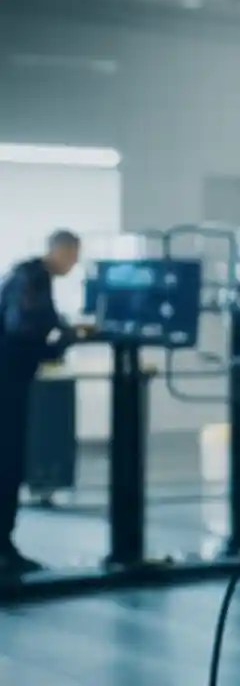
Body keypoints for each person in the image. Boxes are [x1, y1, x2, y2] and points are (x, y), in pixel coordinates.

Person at [0, 229, 84, 574]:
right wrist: (63, 341)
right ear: (61, 251)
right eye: (73, 256)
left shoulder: (24, 275)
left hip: (11, 380)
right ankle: (3, 549)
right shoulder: (33, 279)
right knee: (8, 464)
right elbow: (21, 329)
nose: (74, 264)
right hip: (8, 384)